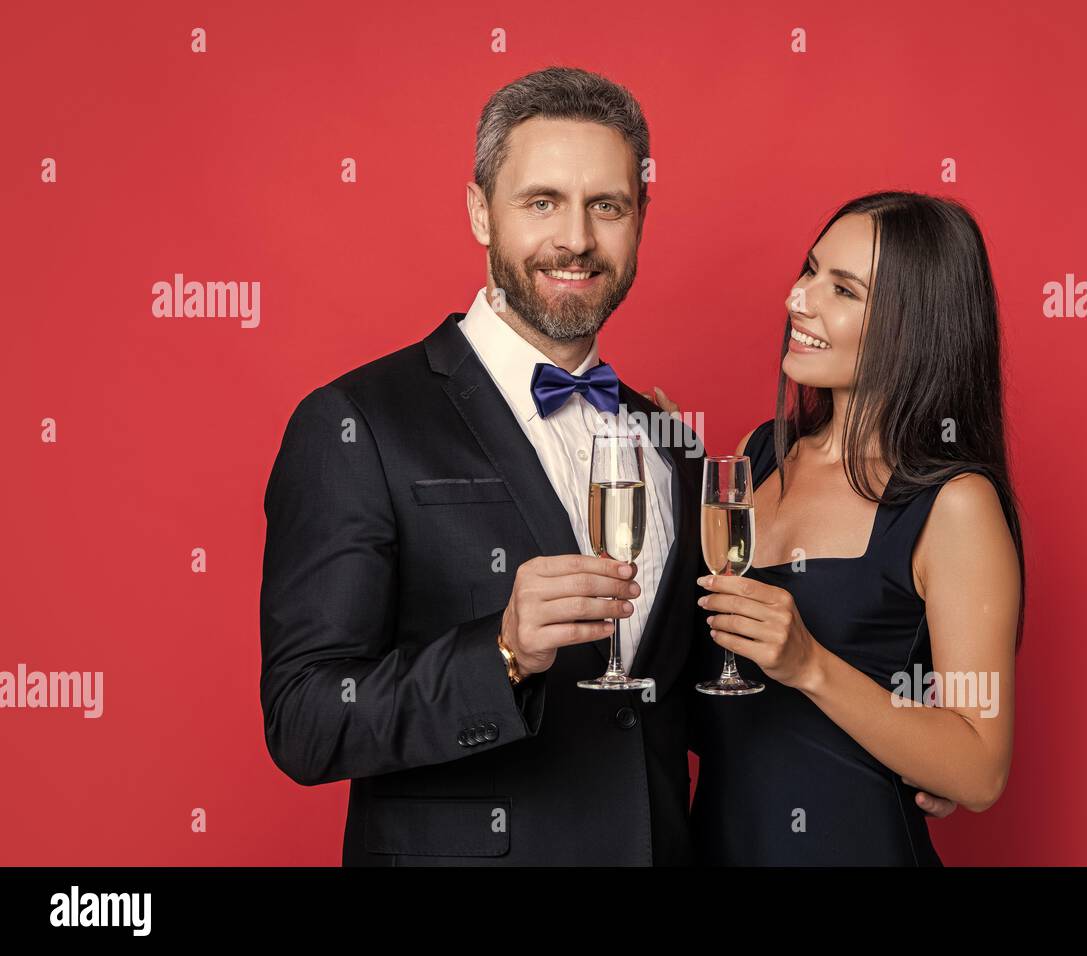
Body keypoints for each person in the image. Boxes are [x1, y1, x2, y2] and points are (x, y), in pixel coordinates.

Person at [259, 66, 707, 865]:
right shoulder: (355, 422)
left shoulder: (671, 440)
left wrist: (907, 748)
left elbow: (693, 700)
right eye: (542, 202)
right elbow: (306, 719)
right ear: (479, 212)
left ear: (640, 216)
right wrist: (499, 651)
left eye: (606, 205)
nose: (576, 238)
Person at [688, 192, 1024, 865]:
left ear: (915, 325)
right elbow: (705, 699)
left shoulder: (953, 503)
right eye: (810, 271)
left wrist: (808, 665)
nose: (798, 299)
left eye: (842, 289)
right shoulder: (756, 455)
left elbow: (980, 772)